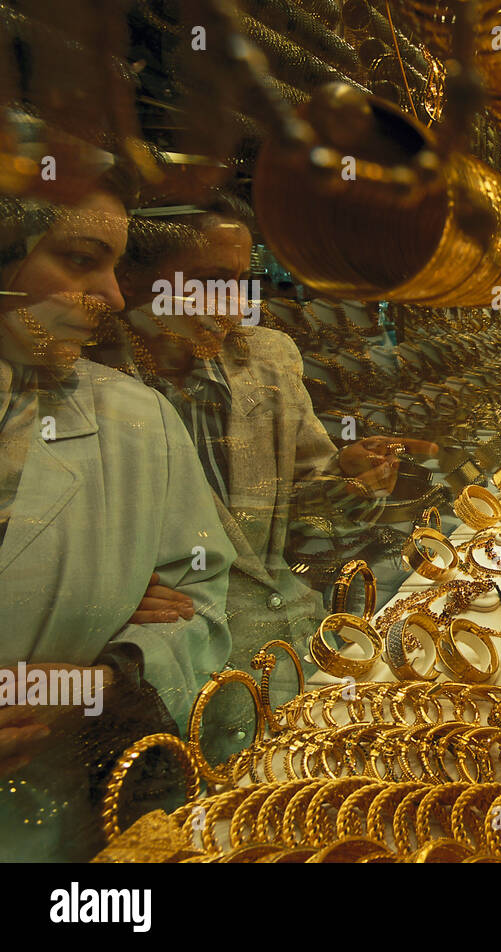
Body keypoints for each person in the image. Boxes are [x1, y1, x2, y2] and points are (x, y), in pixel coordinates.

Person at [93, 191, 406, 742]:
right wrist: (102, 591)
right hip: (172, 688)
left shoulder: (265, 358)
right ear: (137, 282)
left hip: (298, 650)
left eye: (244, 281)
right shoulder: (91, 391)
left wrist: (354, 479)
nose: (238, 307)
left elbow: (311, 511)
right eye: (212, 281)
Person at [0, 164, 235, 861]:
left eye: (114, 266)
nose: (108, 294)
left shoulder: (133, 418)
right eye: (80, 260)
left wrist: (112, 674)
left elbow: (198, 598)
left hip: (87, 813)